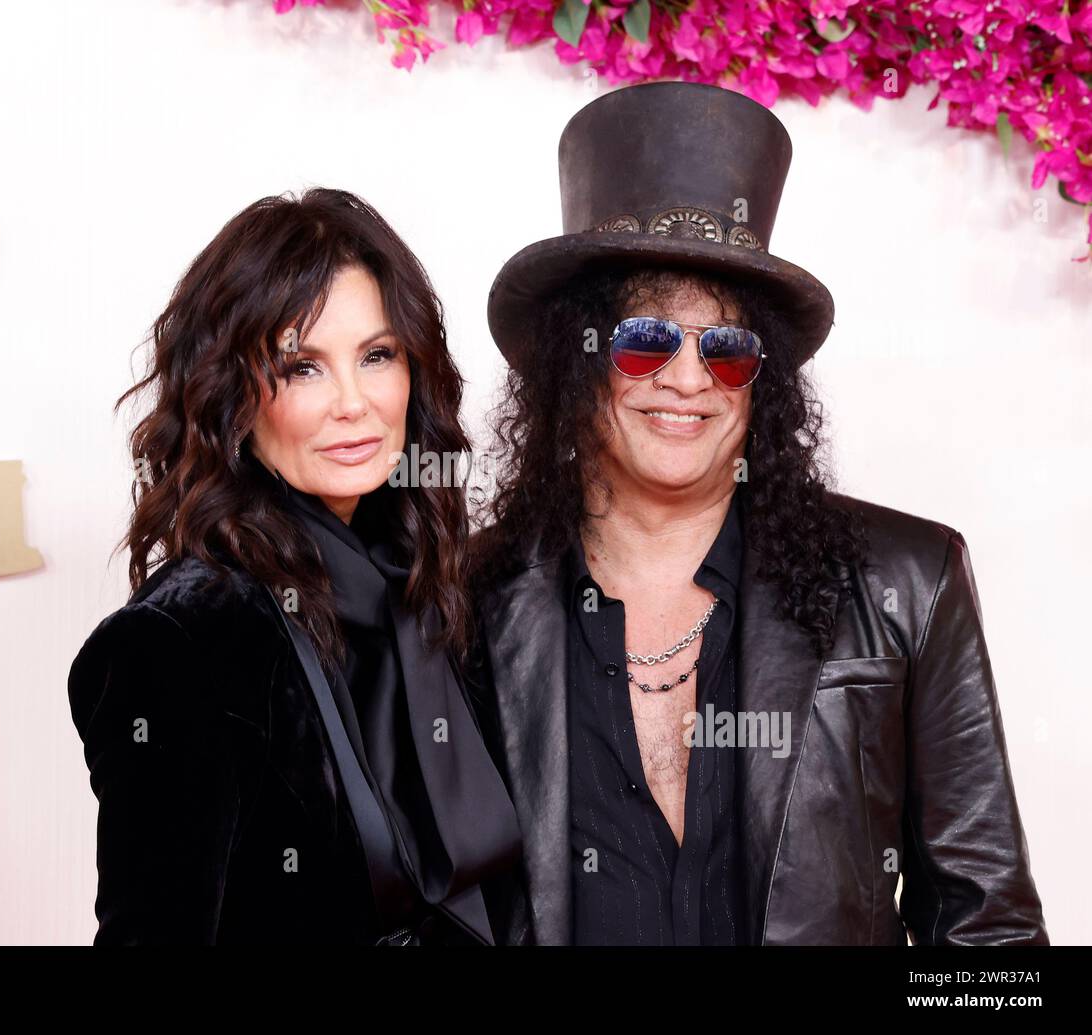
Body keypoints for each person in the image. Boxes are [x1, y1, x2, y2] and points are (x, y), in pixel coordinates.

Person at [468, 80, 1048, 945]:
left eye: (728, 348)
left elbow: (989, 935)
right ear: (574, 359)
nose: (689, 379)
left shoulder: (908, 580)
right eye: (645, 340)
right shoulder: (462, 599)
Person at [68, 187, 522, 945]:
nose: (354, 402)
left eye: (377, 355)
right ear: (229, 396)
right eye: (301, 366)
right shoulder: (184, 641)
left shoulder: (425, 590)